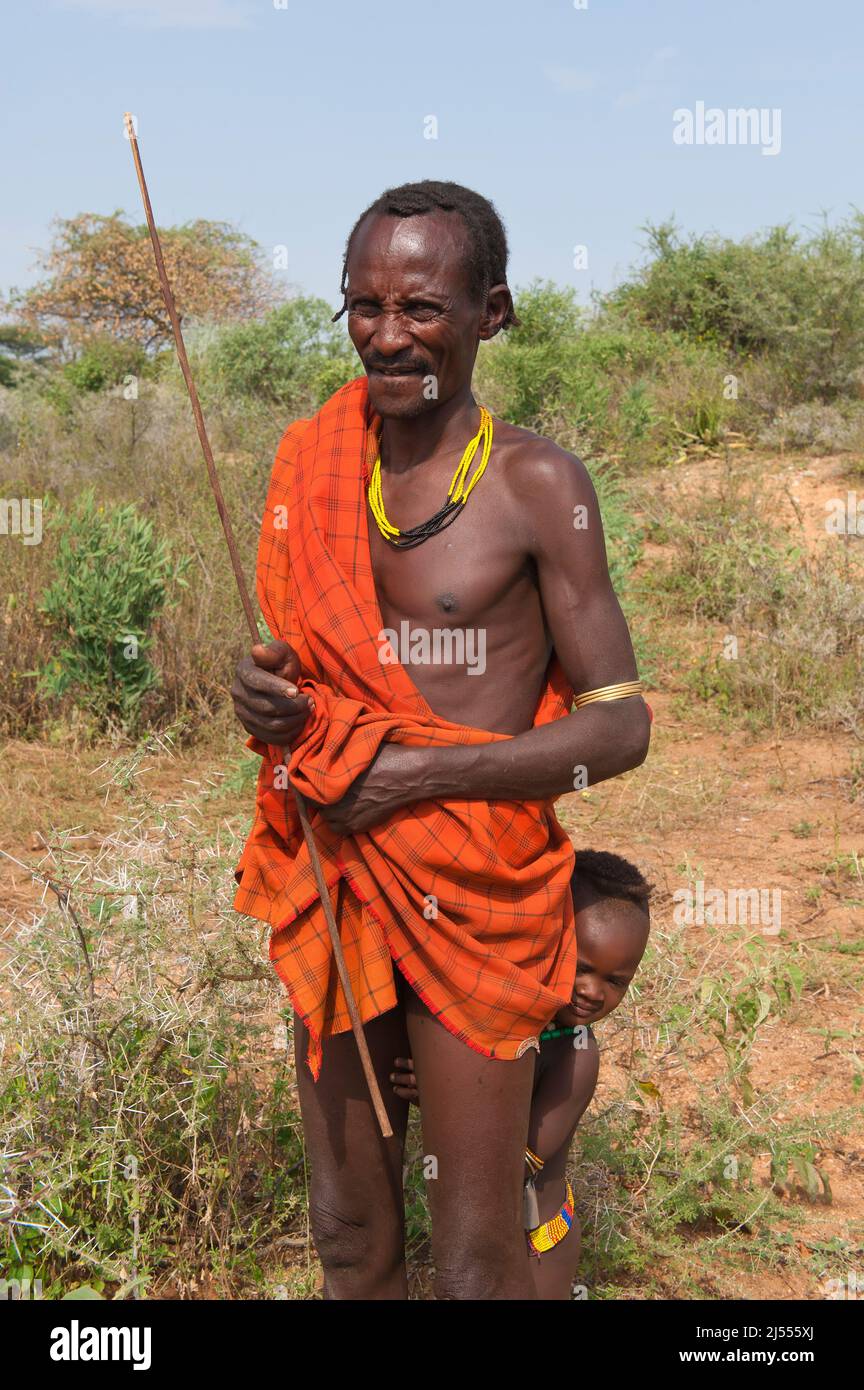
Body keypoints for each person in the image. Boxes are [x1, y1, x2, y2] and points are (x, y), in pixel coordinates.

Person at [230, 180, 651, 1300]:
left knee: (475, 1255)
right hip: (340, 871)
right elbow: (310, 673)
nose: (387, 334)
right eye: (362, 305)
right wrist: (265, 700)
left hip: (479, 893)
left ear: (493, 312)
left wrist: (419, 772)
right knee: (349, 1232)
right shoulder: (315, 467)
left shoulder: (536, 485)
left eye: (420, 306)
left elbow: (619, 726)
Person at [391, 849, 652, 1299]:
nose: (593, 992)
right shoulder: (518, 1023)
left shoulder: (577, 1055)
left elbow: (512, 1162)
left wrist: (443, 1099)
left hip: (539, 1242)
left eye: (616, 981)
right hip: (495, 1234)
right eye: (583, 968)